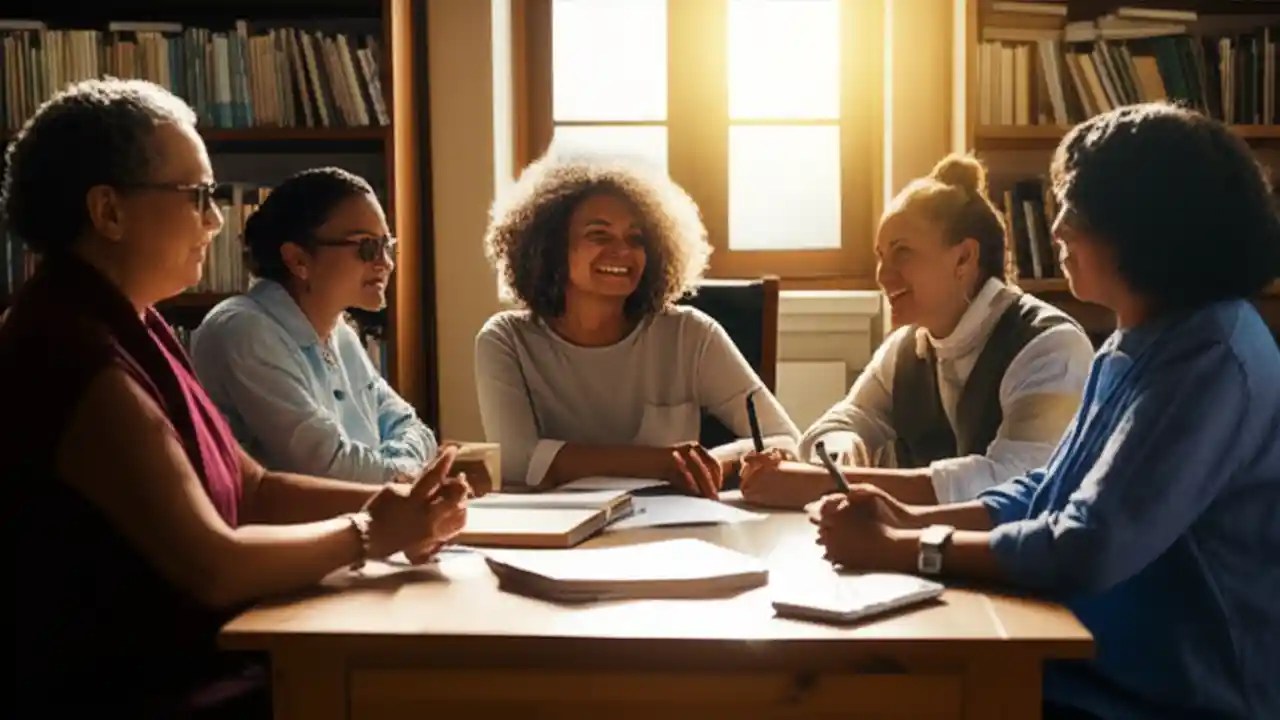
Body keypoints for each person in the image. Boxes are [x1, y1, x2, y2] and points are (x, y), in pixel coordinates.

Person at [0, 78, 469, 717]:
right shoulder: (66, 346)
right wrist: (368, 533)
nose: (217, 220)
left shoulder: (137, 321)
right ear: (108, 211)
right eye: (197, 196)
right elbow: (212, 565)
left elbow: (253, 490)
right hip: (141, 688)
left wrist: (405, 508)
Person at [810, 104, 1280, 720]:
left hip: (1179, 693)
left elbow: (1088, 542)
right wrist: (914, 514)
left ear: (1144, 223)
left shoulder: (1210, 358)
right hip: (1098, 659)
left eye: (1074, 210)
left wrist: (906, 545)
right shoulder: (1133, 341)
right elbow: (1050, 489)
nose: (1054, 228)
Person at [740, 153, 1094, 509]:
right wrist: (839, 453)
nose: (882, 275)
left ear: (964, 258)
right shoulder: (905, 348)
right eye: (880, 256)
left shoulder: (1050, 346)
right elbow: (847, 420)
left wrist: (825, 484)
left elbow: (1013, 482)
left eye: (902, 253)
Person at [476, 155, 800, 495]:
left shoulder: (691, 334)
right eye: (599, 235)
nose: (623, 251)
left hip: (675, 531)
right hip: (556, 540)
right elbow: (516, 462)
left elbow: (786, 439)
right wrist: (661, 462)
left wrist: (711, 463)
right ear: (550, 248)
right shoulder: (505, 340)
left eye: (636, 239)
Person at [190, 167, 438, 485]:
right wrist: (406, 475)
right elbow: (326, 467)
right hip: (287, 530)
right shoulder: (243, 331)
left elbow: (411, 426)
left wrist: (400, 470)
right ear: (298, 260)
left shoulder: (341, 333)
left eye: (387, 246)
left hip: (360, 520)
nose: (385, 263)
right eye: (367, 247)